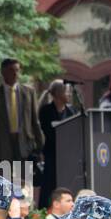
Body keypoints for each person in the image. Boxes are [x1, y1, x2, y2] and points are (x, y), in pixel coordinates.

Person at [0, 58, 44, 168]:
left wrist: (40, 145)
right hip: (1, 146)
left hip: (25, 145)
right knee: (5, 182)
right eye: (11, 70)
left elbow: (35, 121)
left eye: (17, 70)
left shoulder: (29, 93)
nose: (15, 73)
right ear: (3, 72)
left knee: (24, 182)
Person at [38, 80, 78, 209]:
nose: (69, 94)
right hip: (52, 153)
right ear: (57, 93)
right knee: (50, 184)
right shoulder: (46, 111)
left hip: (69, 156)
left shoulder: (72, 111)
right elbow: (48, 132)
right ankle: (46, 209)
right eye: (66, 91)